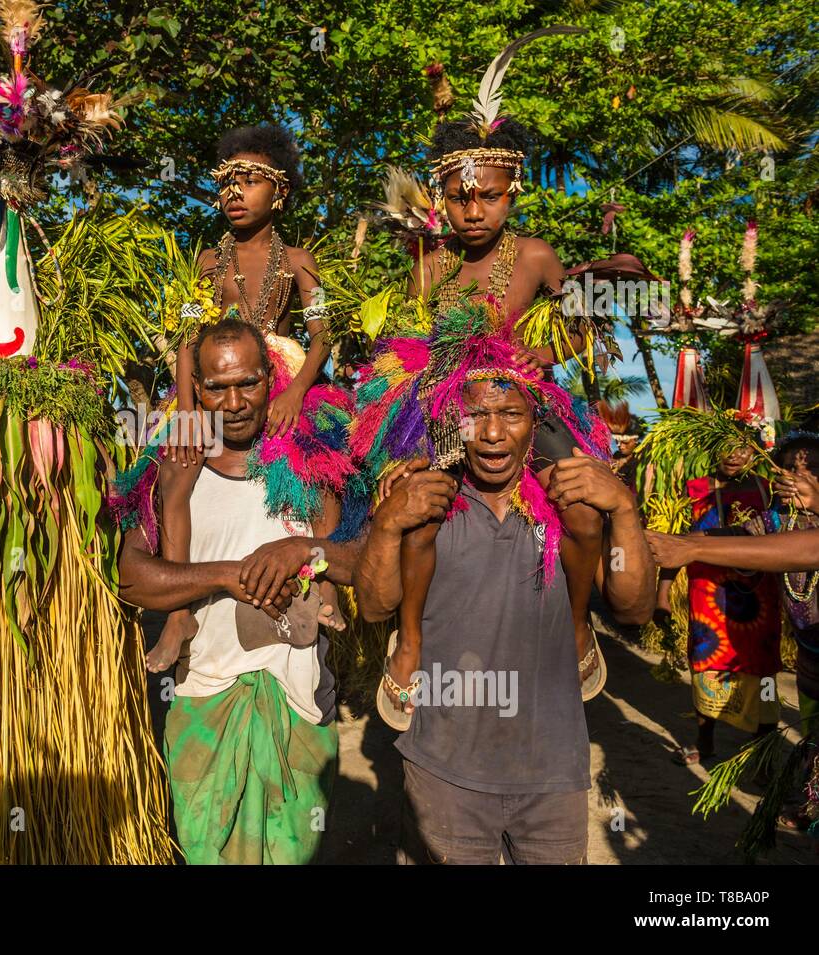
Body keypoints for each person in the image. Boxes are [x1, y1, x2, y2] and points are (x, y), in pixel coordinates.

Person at [353, 357, 654, 864]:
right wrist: (386, 526)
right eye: (475, 416)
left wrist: (622, 507)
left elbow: (636, 609)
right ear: (453, 423)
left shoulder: (567, 506)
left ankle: (580, 631)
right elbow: (372, 605)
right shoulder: (426, 498)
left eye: (512, 415)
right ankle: (409, 645)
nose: (493, 433)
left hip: (551, 772)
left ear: (535, 424)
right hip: (445, 771)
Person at [382, 64, 604, 719]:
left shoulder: (534, 255)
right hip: (446, 409)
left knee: (586, 509)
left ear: (513, 194)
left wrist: (543, 351)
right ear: (441, 197)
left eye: (488, 197)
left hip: (524, 406)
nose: (473, 210)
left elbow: (583, 324)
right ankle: (412, 637)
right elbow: (404, 344)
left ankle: (575, 623)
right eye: (459, 197)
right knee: (418, 512)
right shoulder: (430, 265)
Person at [117, 318, 362, 864]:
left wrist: (308, 557)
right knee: (208, 848)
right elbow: (133, 575)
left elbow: (362, 563)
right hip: (206, 698)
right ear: (196, 387)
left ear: (269, 379)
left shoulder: (307, 464)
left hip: (299, 701)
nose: (233, 402)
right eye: (216, 387)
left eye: (247, 383)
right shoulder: (173, 466)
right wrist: (228, 575)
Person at [147, 124, 336, 673]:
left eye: (250, 182)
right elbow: (187, 335)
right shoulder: (207, 262)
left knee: (321, 461)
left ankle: (321, 587)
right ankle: (181, 612)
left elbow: (323, 333)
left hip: (280, 377)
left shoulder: (300, 262)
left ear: (279, 194)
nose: (235, 192)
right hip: (215, 381)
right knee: (177, 472)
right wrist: (185, 406)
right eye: (227, 182)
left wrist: (297, 394)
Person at [647, 430, 819, 827]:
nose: (799, 476)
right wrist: (680, 546)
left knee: (765, 680)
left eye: (811, 470)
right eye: (792, 467)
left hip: (762, 613)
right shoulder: (776, 517)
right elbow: (735, 534)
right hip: (808, 651)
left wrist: (693, 548)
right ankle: (810, 803)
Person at [647, 417, 780, 766]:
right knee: (706, 665)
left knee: (761, 671)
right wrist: (663, 595)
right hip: (707, 598)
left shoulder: (770, 491)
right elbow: (675, 545)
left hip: (760, 600)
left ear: (755, 450)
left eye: (742, 447)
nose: (734, 456)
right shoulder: (694, 490)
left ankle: (763, 753)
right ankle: (704, 743)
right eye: (726, 447)